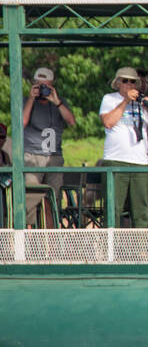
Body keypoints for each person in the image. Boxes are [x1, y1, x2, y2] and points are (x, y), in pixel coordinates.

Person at [99, 66, 148, 228]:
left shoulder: (142, 102)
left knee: (141, 210)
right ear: (118, 83)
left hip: (140, 162)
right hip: (116, 160)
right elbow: (108, 122)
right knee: (114, 209)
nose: (129, 84)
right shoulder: (109, 99)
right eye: (125, 81)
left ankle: (139, 250)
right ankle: (111, 249)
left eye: (133, 81)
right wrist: (125, 101)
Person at [22, 66, 76, 227]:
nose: (42, 90)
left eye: (45, 86)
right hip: (32, 156)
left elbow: (72, 122)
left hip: (54, 157)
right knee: (30, 201)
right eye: (39, 86)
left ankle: (50, 244)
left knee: (53, 200)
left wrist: (56, 101)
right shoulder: (25, 101)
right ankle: (27, 241)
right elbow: (21, 123)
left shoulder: (59, 102)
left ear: (52, 85)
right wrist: (32, 99)